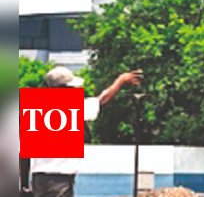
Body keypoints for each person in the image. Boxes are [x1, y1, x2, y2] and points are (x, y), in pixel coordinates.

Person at [30, 66, 143, 197]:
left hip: (38, 178)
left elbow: (23, 153)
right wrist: (121, 81)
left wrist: (24, 186)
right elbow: (103, 99)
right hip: (60, 178)